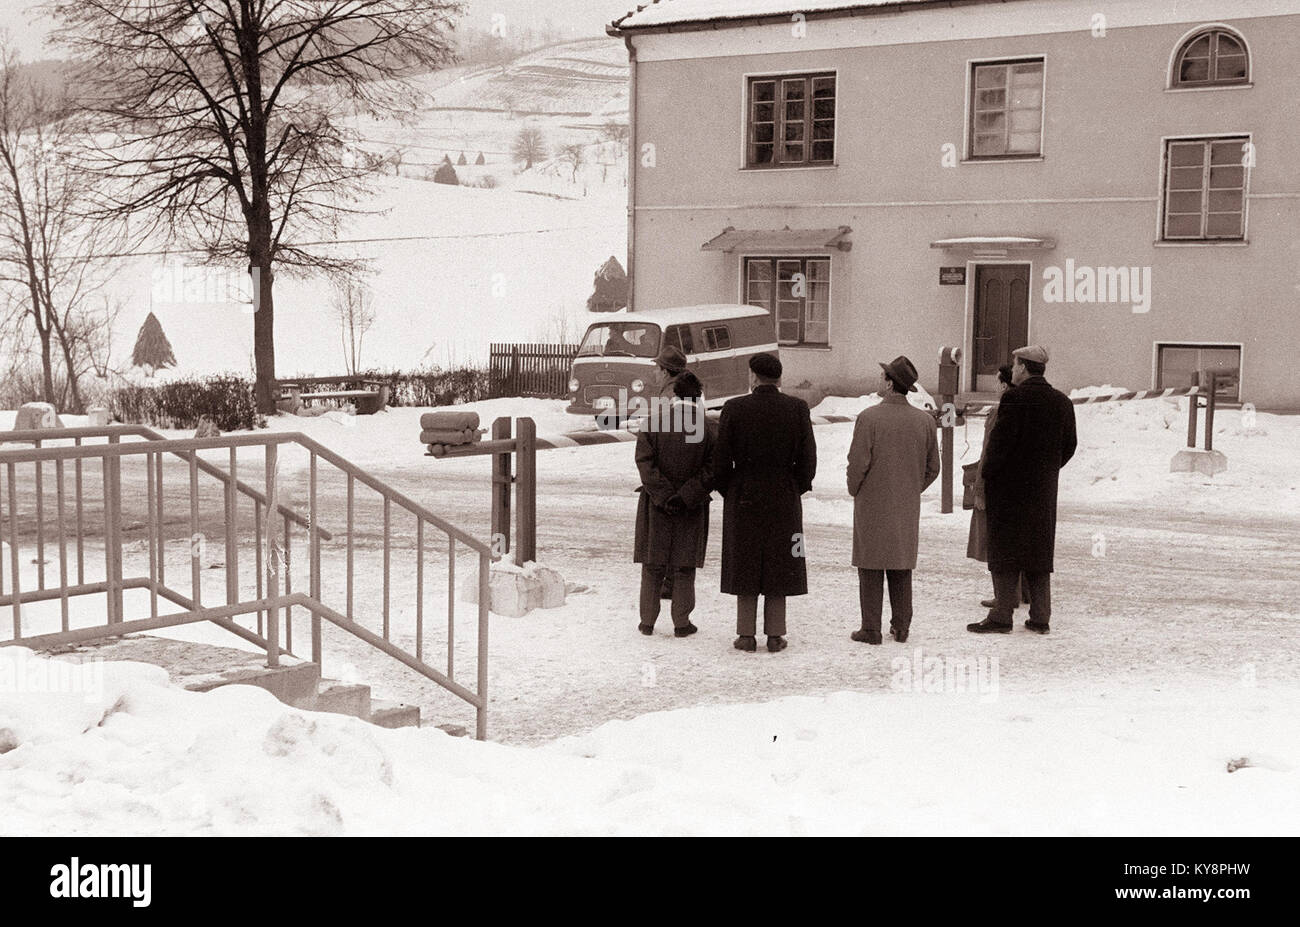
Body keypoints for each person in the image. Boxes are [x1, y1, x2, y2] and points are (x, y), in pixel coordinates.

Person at [968, 345, 1077, 635]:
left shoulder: (1013, 399)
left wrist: (988, 477)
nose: (1013, 370)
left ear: (1025, 368)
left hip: (1009, 490)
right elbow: (1069, 446)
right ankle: (1041, 617)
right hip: (1042, 491)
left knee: (1004, 552)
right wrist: (1047, 470)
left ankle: (1002, 615)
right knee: (1039, 553)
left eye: (1016, 365)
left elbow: (998, 446)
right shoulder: (1062, 402)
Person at [714, 352, 817, 653]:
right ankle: (775, 634)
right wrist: (794, 487)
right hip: (784, 496)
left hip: (743, 494)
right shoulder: (797, 408)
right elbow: (808, 460)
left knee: (744, 561)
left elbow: (720, 461)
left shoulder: (734, 408)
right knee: (781, 561)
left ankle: (745, 634)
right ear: (779, 378)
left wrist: (730, 489)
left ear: (753, 377)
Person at [846, 355, 940, 644]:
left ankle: (870, 628)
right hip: (906, 505)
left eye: (883, 376)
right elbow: (933, 468)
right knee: (901, 565)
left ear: (889, 383)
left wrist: (855, 488)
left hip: (871, 502)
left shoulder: (869, 418)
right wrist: (911, 488)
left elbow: (858, 463)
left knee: (870, 565)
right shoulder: (924, 421)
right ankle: (901, 626)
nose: (880, 381)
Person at [633, 371, 713, 637]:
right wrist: (686, 495)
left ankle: (647, 621)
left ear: (675, 394)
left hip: (656, 504)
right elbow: (712, 469)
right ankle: (681, 622)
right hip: (692, 506)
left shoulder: (653, 423)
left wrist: (664, 495)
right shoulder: (709, 428)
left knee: (652, 564)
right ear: (698, 397)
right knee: (684, 565)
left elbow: (645, 464)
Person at [965, 364, 1031, 608]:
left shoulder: (999, 412)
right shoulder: (1028, 408)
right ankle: (1024, 592)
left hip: (996, 485)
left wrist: (979, 488)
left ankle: (1004, 595)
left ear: (1004, 384)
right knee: (1019, 539)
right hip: (1023, 486)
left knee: (994, 542)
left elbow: (987, 453)